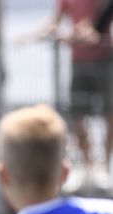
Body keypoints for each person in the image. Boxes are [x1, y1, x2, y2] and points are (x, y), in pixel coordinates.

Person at [34, 0, 113, 189]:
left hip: (105, 59)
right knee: (77, 114)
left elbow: (97, 22)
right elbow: (56, 20)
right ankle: (87, 167)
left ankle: (105, 167)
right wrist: (38, 34)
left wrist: (79, 33)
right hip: (78, 61)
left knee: (110, 113)